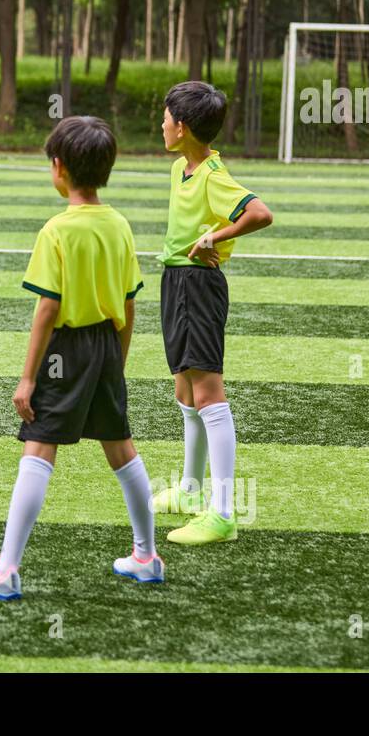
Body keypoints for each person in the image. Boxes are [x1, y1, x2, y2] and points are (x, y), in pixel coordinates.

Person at [0, 116, 160, 600]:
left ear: (59, 169)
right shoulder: (119, 224)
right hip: (108, 345)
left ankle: (6, 571)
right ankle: (146, 557)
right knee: (120, 447)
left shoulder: (56, 231)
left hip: (66, 352)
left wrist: (27, 378)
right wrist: (119, 360)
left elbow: (48, 309)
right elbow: (130, 304)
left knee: (38, 445)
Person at [148, 81, 274, 545]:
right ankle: (190, 489)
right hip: (177, 281)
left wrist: (214, 239)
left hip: (198, 287)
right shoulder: (182, 166)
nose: (161, 124)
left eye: (165, 118)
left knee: (207, 391)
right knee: (184, 386)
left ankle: (222, 514)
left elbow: (260, 213)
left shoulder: (212, 174)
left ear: (181, 128)